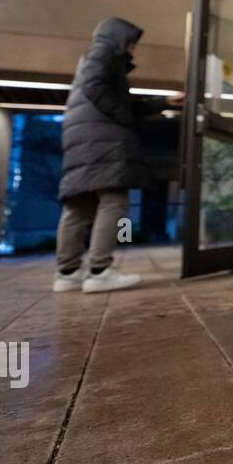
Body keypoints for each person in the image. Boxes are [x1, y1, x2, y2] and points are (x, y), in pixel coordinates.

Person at [53, 17, 182, 293]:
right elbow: (95, 86)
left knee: (79, 205)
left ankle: (68, 272)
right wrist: (121, 117)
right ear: (119, 38)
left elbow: (107, 95)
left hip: (82, 140)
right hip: (103, 141)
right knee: (113, 201)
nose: (133, 50)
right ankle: (99, 270)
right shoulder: (104, 52)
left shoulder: (95, 56)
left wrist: (162, 102)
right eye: (132, 43)